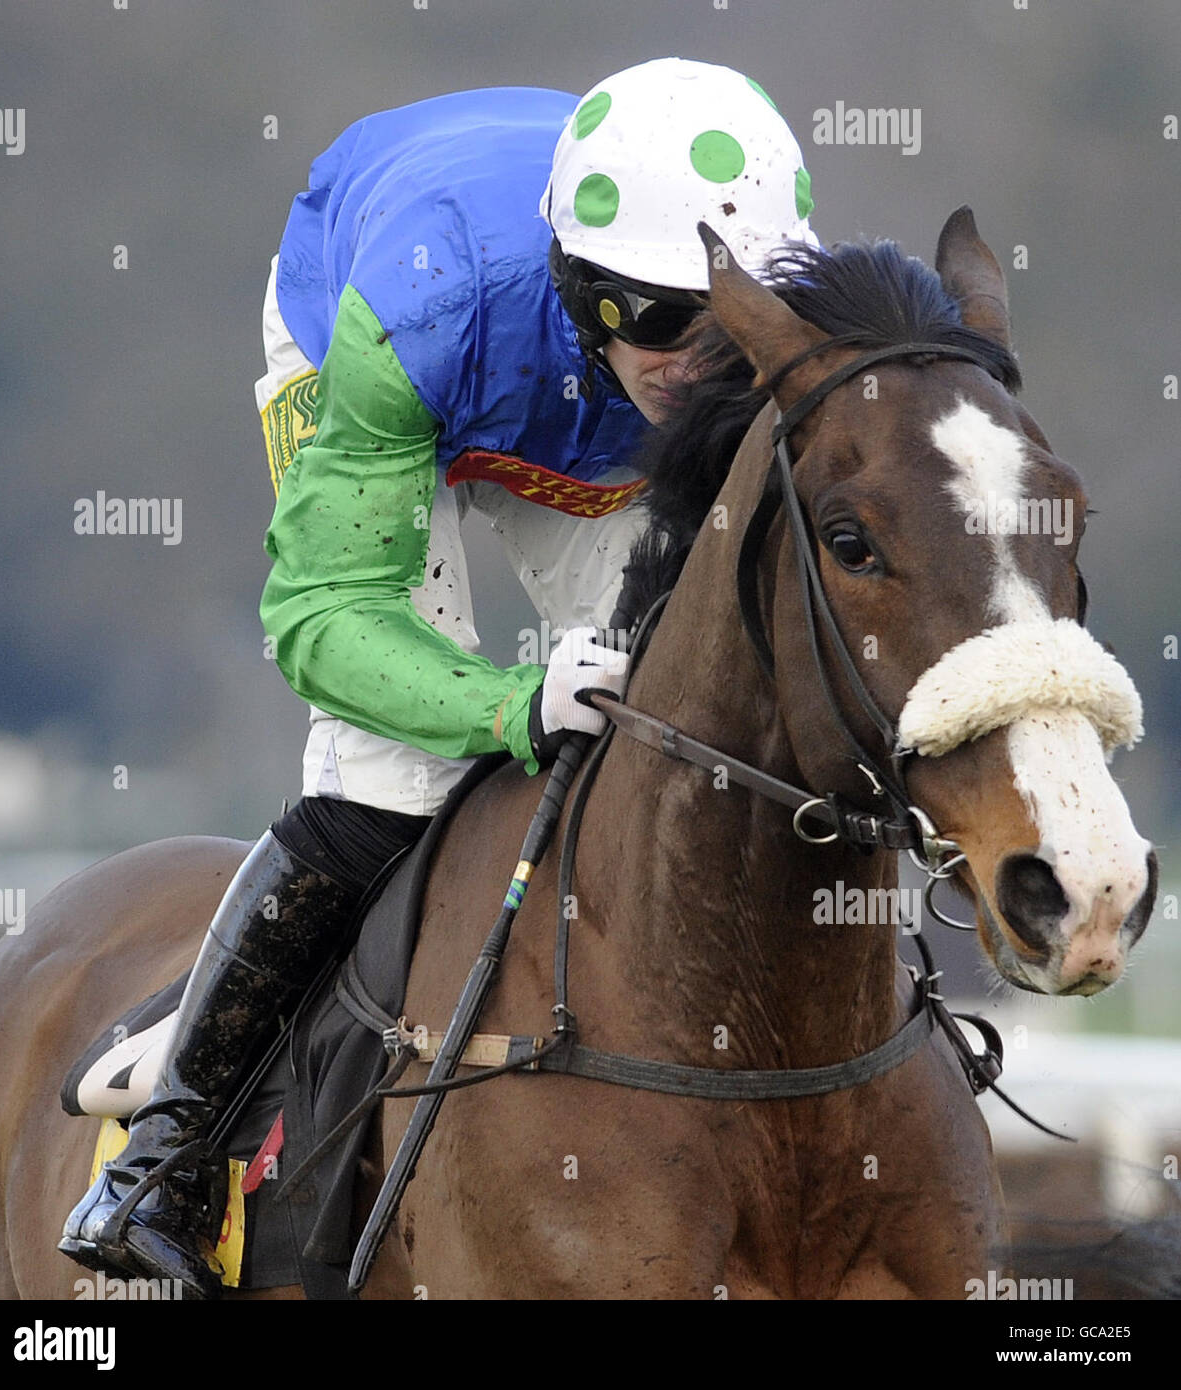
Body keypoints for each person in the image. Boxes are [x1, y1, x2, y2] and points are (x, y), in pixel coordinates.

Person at [59, 56, 818, 1297]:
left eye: (717, 318)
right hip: (383, 320)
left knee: (672, 717)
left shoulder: (765, 316)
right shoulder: (416, 312)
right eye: (653, 316)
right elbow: (322, 617)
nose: (689, 361)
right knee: (400, 762)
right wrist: (507, 704)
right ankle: (169, 1150)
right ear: (582, 284)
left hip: (545, 368)